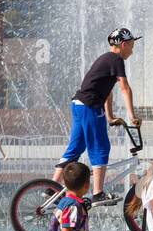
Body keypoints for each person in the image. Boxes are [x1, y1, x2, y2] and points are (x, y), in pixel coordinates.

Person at [53, 28, 141, 202]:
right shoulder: (116, 59)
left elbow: (107, 92)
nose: (132, 49)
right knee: (101, 147)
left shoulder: (105, 59)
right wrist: (132, 116)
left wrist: (109, 116)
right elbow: (125, 88)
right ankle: (98, 193)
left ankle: (51, 187)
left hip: (78, 104)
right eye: (131, 45)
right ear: (123, 44)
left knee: (76, 147)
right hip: (90, 106)